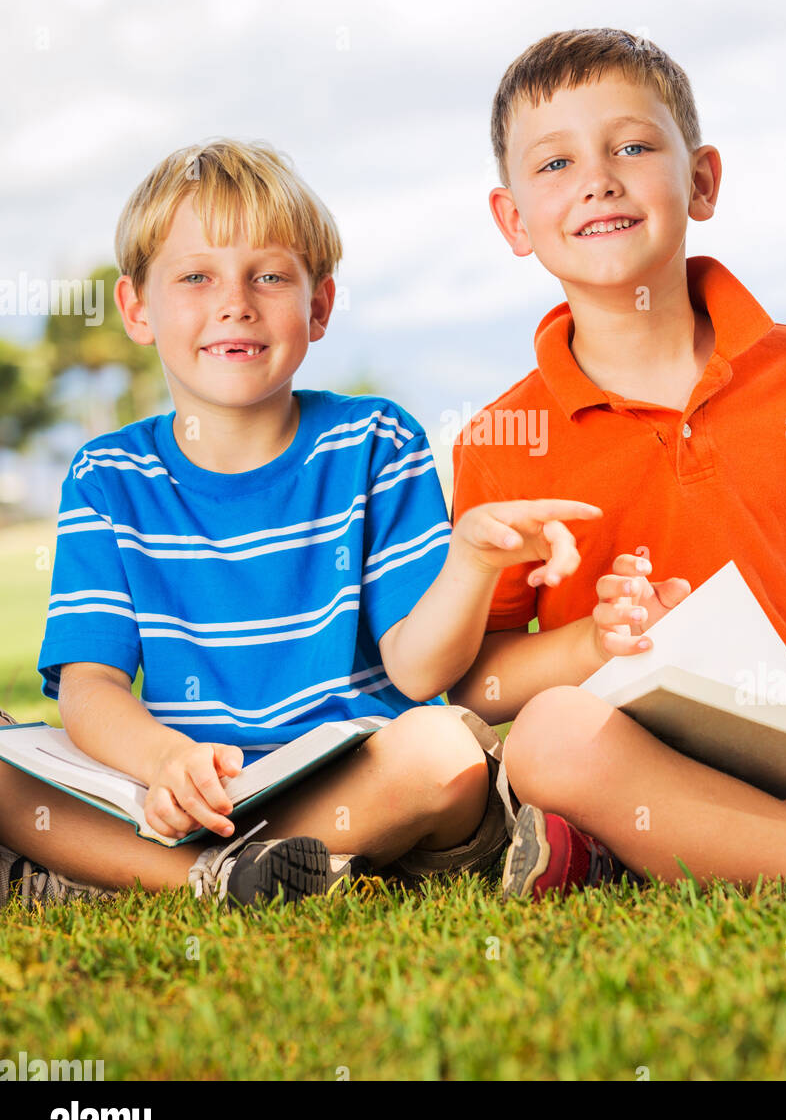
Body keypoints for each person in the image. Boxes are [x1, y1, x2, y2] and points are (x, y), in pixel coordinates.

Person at [450, 27, 786, 900]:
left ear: (700, 181)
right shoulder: (501, 436)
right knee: (550, 736)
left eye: (632, 145)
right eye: (554, 164)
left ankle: (687, 847)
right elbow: (485, 680)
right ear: (513, 220)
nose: (598, 178)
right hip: (645, 748)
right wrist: (596, 643)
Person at [0, 138, 599, 909]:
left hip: (354, 772)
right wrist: (164, 761)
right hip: (180, 784)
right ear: (137, 308)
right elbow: (89, 689)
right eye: (195, 277)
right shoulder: (107, 475)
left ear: (318, 305)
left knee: (442, 753)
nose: (235, 302)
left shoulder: (373, 442)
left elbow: (421, 673)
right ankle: (215, 876)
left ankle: (140, 873)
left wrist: (472, 564)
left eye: (270, 276)